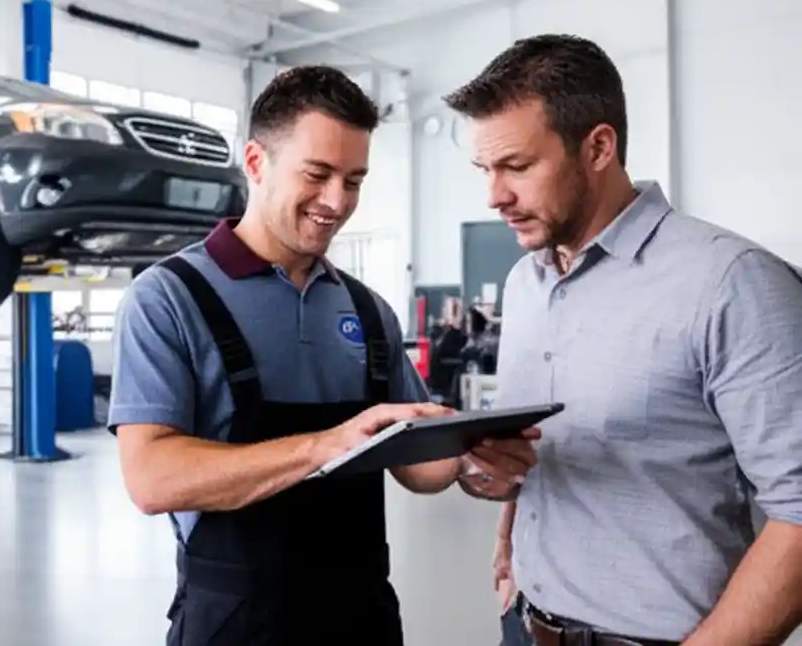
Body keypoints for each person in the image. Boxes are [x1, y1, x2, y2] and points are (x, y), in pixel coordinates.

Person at [108, 65, 541, 646]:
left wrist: (471, 460)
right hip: (236, 622)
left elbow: (418, 467)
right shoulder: (167, 298)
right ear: (257, 163)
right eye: (317, 174)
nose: (336, 202)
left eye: (354, 180)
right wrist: (327, 446)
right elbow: (152, 478)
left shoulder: (367, 312)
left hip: (361, 616)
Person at [442, 34, 802, 646]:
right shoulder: (524, 282)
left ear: (598, 147)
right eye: (486, 169)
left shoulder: (732, 284)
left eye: (518, 167)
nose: (494, 196)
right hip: (526, 626)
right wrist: (500, 499)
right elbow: (537, 453)